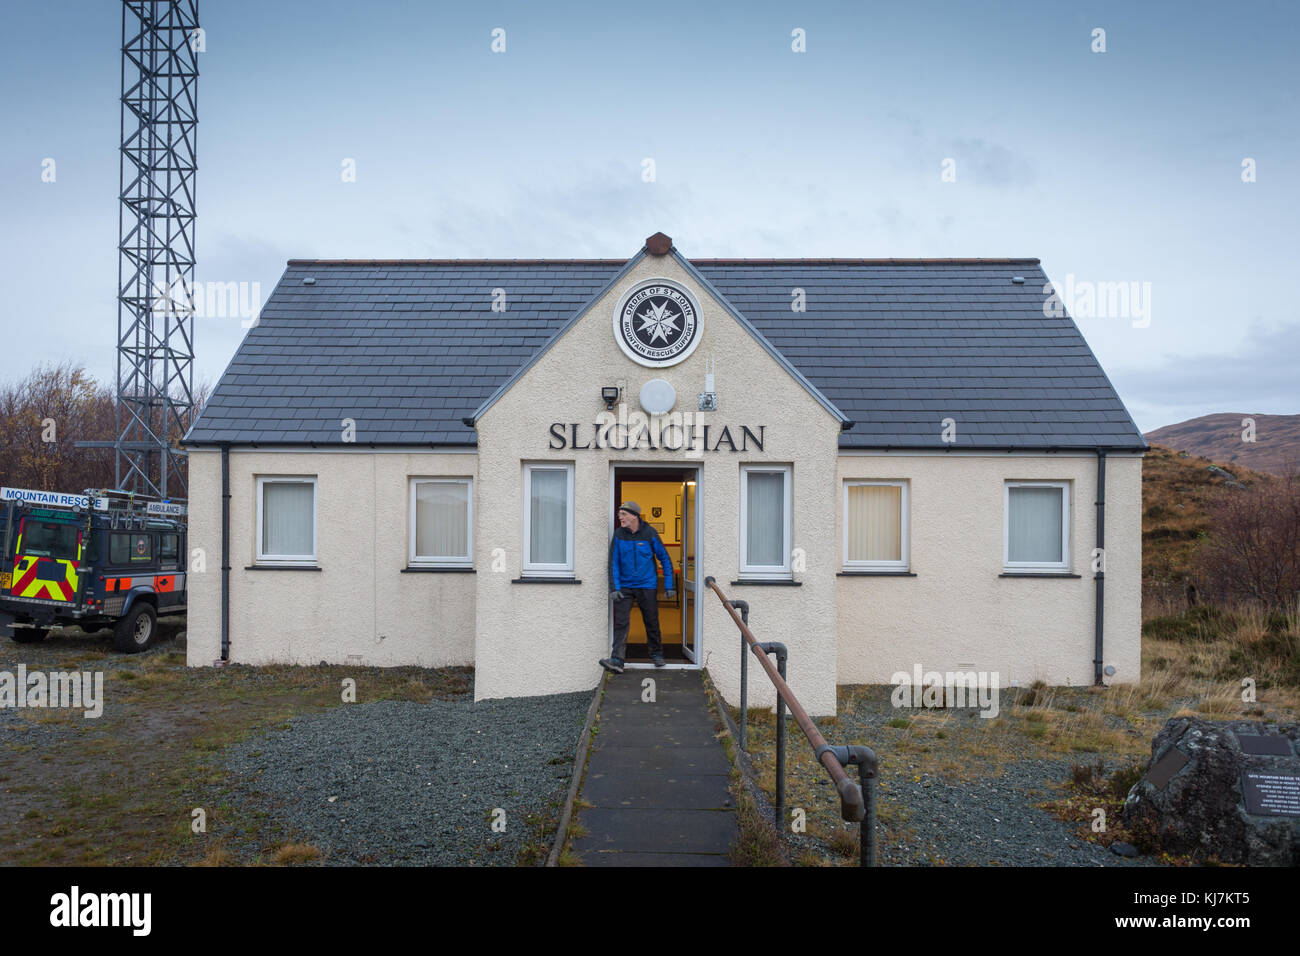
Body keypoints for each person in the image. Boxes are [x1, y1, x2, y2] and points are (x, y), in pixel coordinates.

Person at [599, 501, 674, 674]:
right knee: (621, 623)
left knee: (651, 620)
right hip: (624, 587)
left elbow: (665, 558)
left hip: (647, 585)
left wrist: (669, 584)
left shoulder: (649, 533)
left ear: (634, 516)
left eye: (623, 514)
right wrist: (614, 588)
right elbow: (613, 563)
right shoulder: (619, 535)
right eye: (619, 515)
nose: (620, 518)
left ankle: (657, 654)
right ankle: (617, 659)